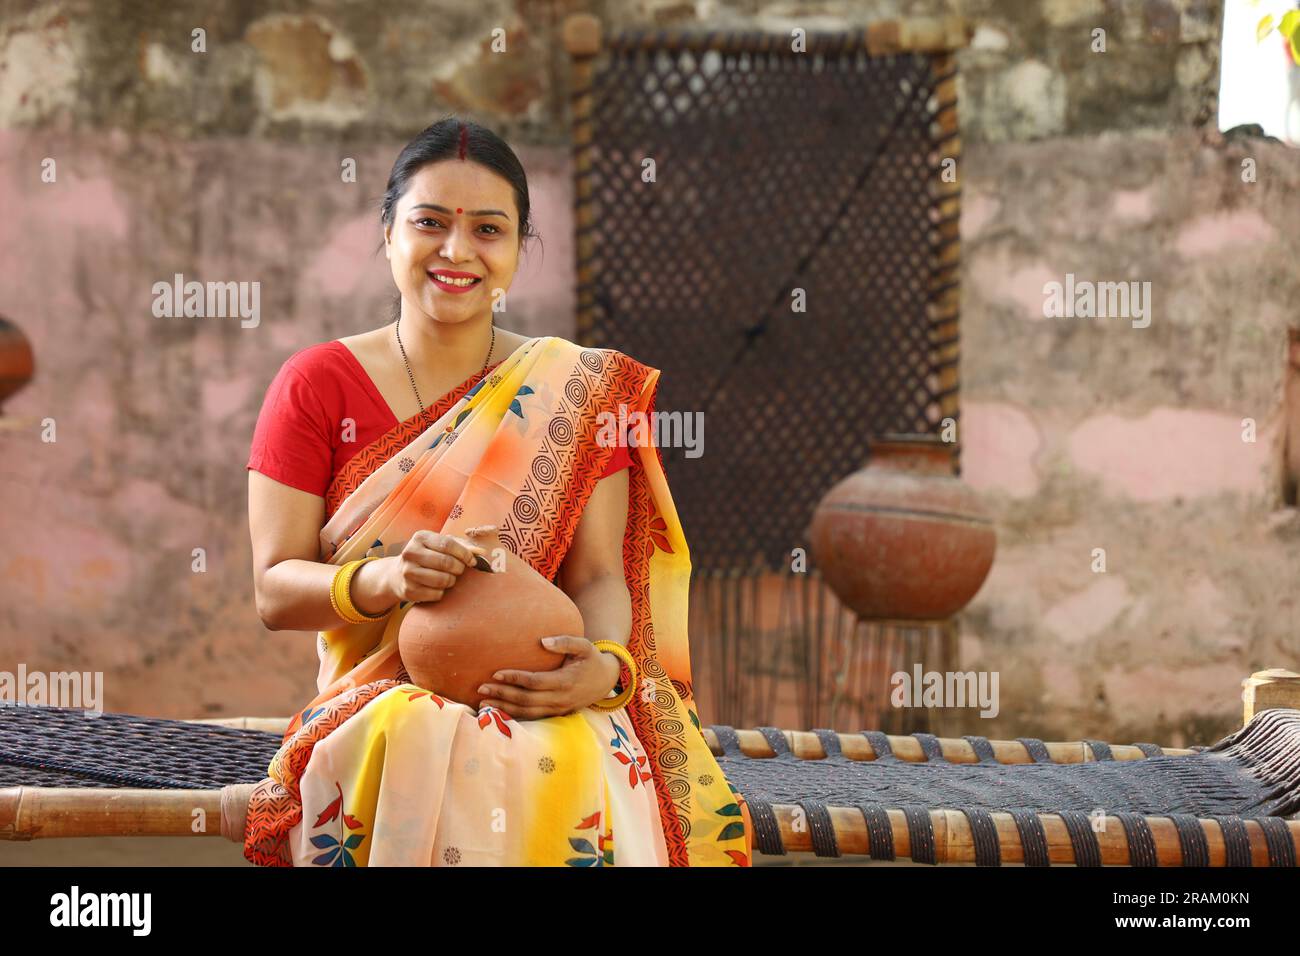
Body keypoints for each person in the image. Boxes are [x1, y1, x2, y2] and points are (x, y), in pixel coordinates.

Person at [242, 117, 753, 866]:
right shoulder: (316, 385)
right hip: (377, 704)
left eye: (488, 229)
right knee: (415, 733)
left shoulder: (575, 391)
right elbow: (274, 590)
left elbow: (601, 576)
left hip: (546, 693)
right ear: (388, 233)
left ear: (517, 252)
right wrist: (387, 579)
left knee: (578, 759)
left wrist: (605, 669)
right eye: (429, 223)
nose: (457, 251)